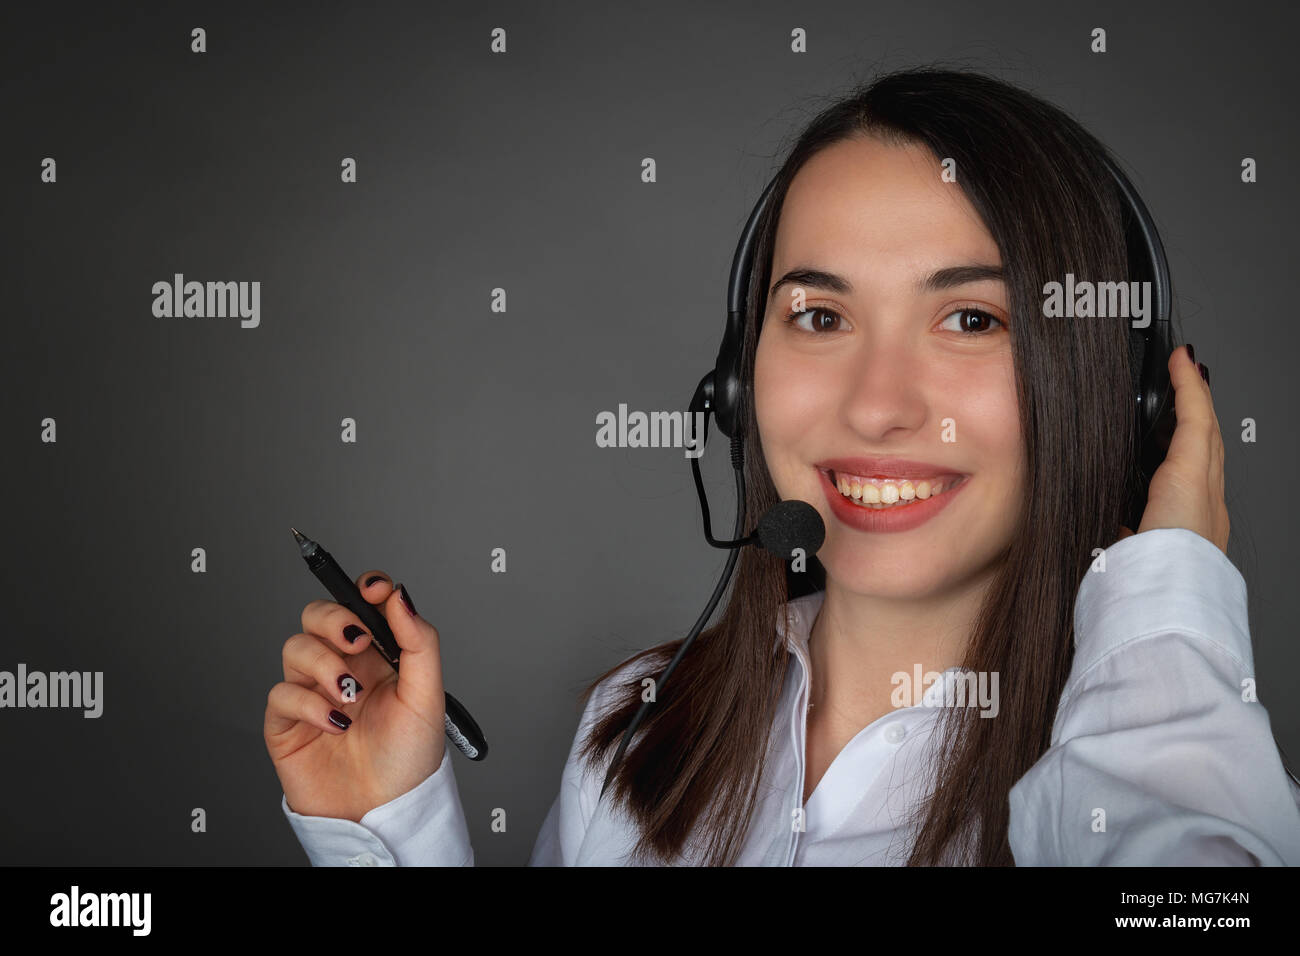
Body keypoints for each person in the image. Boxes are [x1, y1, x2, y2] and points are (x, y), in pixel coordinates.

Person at [264, 66, 1300, 866]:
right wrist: (383, 826)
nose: (876, 403)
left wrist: (1168, 597)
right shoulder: (635, 732)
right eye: (819, 314)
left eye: (971, 317)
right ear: (733, 381)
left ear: (1119, 395)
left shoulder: (1137, 780)